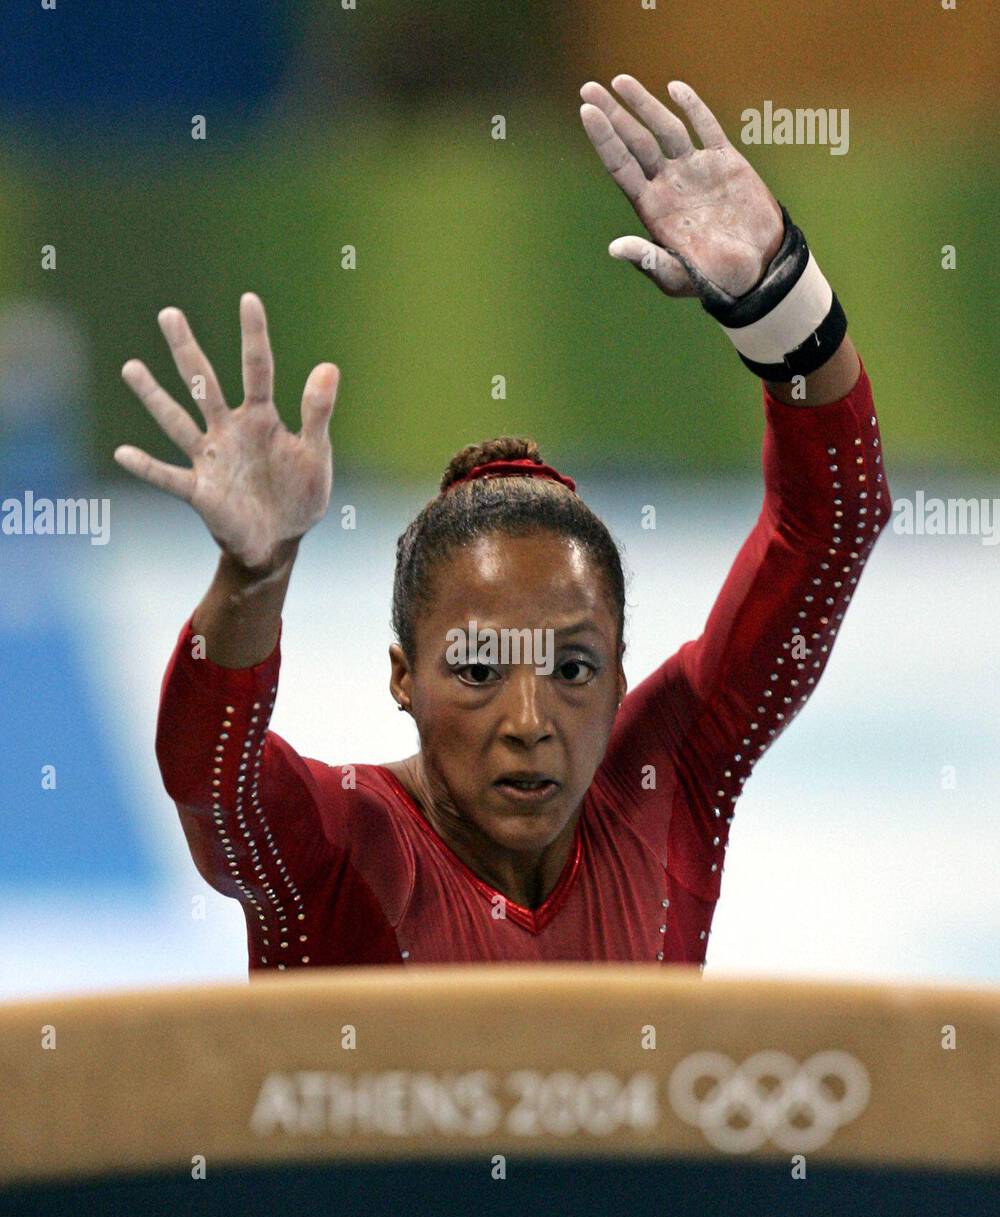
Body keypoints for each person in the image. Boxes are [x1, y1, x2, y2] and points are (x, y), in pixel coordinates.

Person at [115, 77, 889, 971]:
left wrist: (781, 304)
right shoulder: (336, 852)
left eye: (572, 667)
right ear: (404, 677)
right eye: (480, 667)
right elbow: (212, 784)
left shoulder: (664, 786)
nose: (530, 720)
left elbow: (833, 529)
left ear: (620, 677)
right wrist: (250, 578)